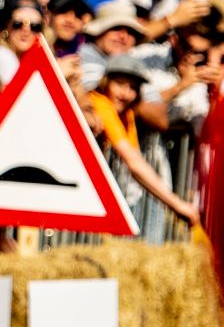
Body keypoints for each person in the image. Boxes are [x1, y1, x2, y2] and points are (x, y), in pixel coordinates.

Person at [85, 57, 198, 225]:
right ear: (105, 82)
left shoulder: (125, 113)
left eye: (133, 88)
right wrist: (177, 205)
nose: (126, 94)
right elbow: (134, 163)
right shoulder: (101, 103)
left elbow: (136, 160)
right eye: (120, 84)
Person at [78, 0, 149, 91]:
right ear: (98, 32)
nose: (123, 36)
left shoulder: (134, 62)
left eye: (131, 31)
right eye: (116, 28)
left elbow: (153, 102)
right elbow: (96, 95)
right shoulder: (82, 55)